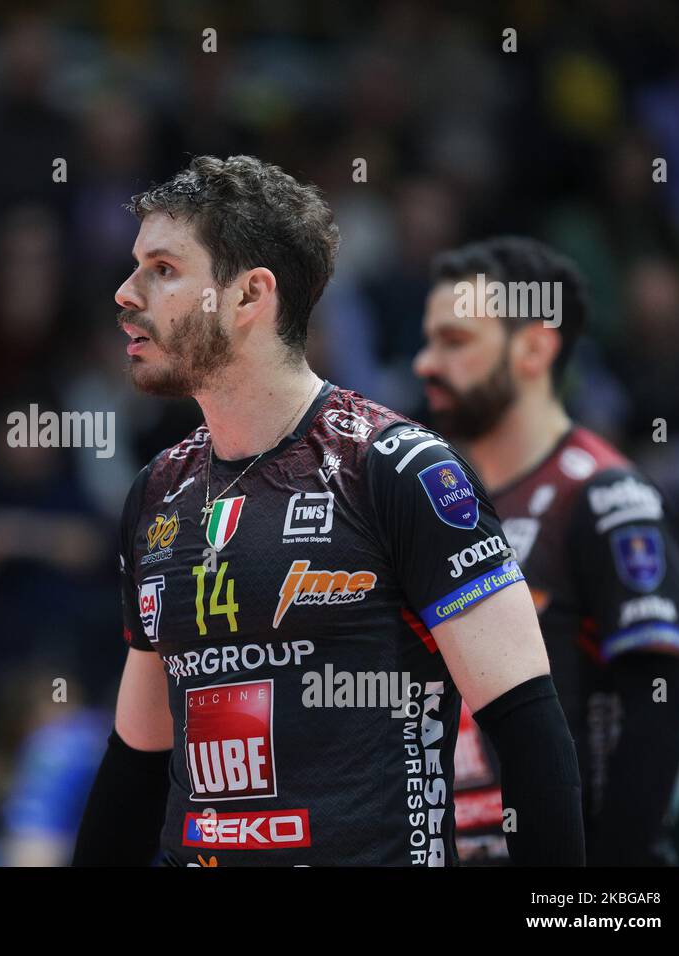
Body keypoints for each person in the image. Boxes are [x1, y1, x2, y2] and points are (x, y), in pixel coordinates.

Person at [72, 155, 584, 867]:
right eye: (136, 267)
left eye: (162, 269)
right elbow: (136, 761)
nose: (127, 293)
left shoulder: (400, 470)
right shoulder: (156, 490)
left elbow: (527, 727)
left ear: (250, 296)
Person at [413, 237, 679, 865]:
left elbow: (658, 725)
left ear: (535, 347)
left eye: (454, 342)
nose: (424, 363)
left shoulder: (605, 498)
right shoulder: (431, 501)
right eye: (428, 340)